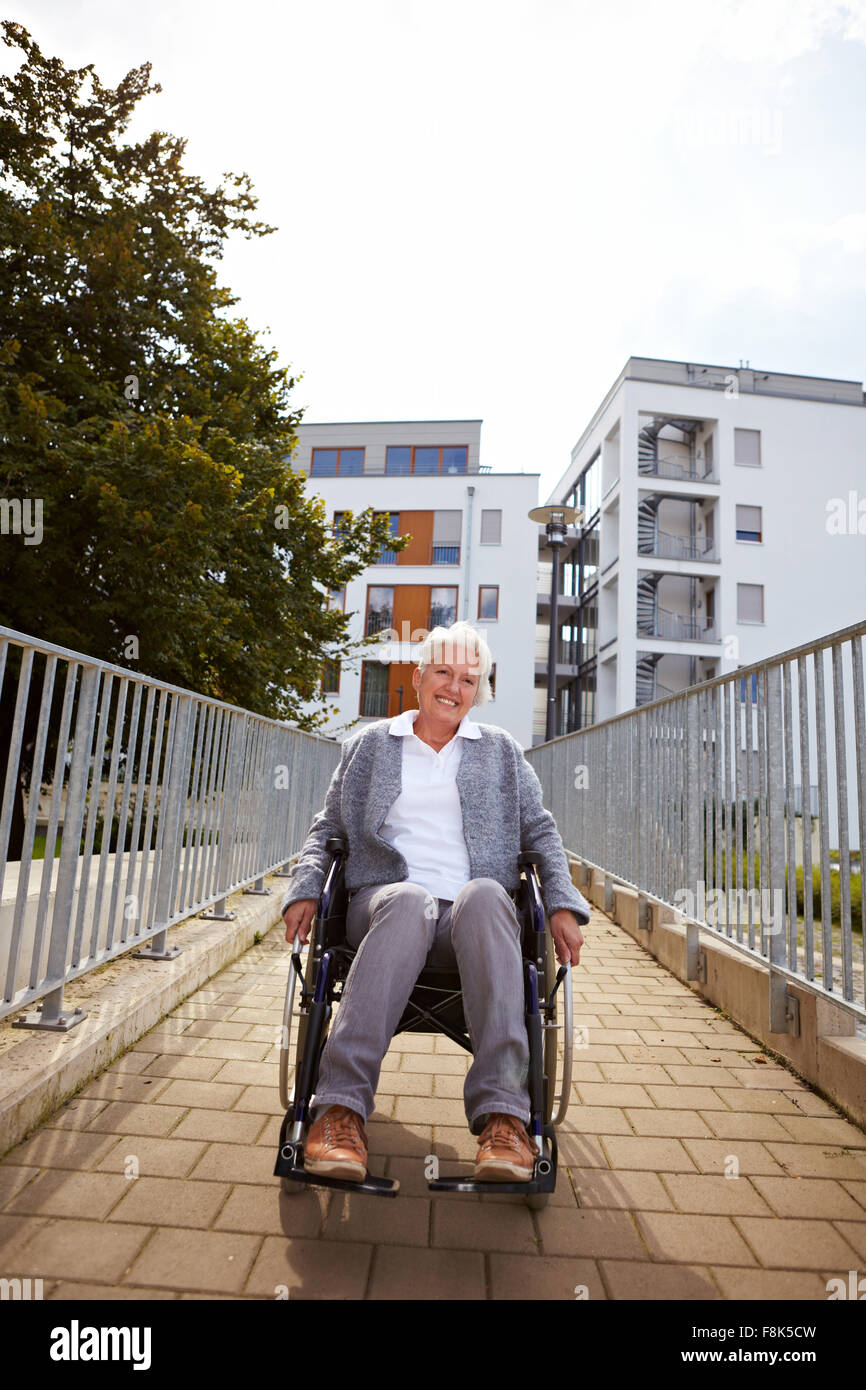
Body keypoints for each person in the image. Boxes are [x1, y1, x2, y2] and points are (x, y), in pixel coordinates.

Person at [281, 620, 591, 1183]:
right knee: (409, 901)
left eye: (468, 679)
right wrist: (305, 888)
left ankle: (505, 1119)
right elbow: (328, 828)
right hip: (383, 907)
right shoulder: (372, 745)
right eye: (443, 673)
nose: (453, 687)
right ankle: (339, 1111)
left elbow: (540, 833)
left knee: (486, 895)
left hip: (470, 921)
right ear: (419, 676)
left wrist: (564, 902)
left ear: (481, 689)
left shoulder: (500, 752)